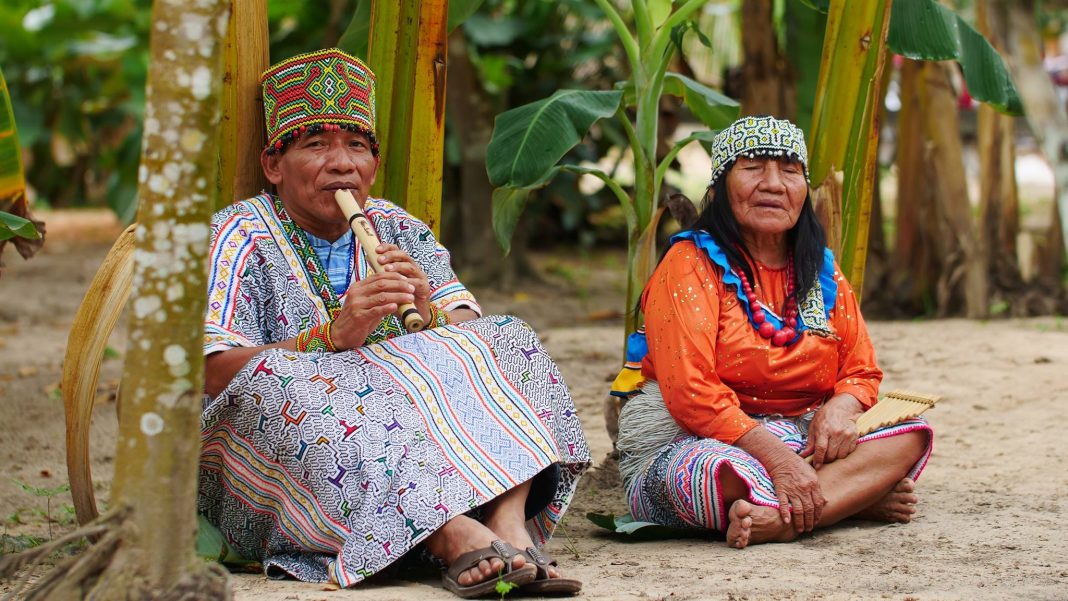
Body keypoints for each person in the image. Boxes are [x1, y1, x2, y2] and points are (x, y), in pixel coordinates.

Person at [199, 48, 588, 597]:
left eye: (357, 146)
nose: (343, 165)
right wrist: (329, 337)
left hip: (408, 433)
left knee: (507, 337)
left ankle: (507, 519)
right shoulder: (236, 235)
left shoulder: (395, 226)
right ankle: (450, 535)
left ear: (373, 164)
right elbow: (213, 374)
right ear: (273, 165)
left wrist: (429, 315)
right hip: (273, 453)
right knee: (274, 381)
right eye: (317, 145)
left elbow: (463, 319)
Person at [613, 115, 932, 548]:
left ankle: (782, 519)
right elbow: (692, 391)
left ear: (803, 188)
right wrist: (778, 460)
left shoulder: (820, 270)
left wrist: (839, 410)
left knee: (910, 435)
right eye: (752, 168)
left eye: (789, 170)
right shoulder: (689, 263)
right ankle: (848, 498)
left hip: (803, 436)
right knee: (719, 474)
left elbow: (861, 371)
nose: (773, 184)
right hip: (698, 439)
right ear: (720, 188)